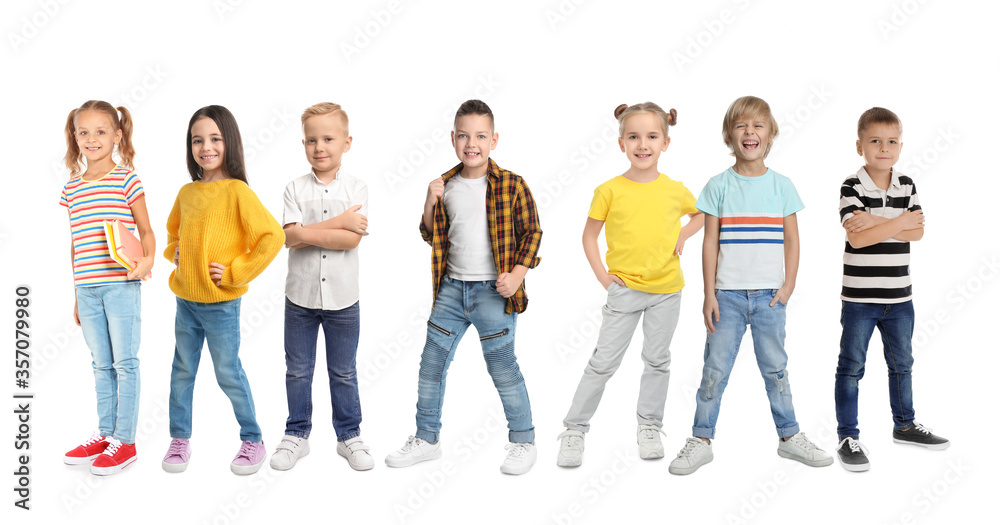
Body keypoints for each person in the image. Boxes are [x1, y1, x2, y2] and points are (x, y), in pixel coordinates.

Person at [668, 96, 832, 475]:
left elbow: (793, 240)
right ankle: (701, 439)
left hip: (770, 298)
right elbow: (710, 241)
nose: (749, 132)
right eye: (741, 125)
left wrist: (788, 286)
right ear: (730, 135)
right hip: (725, 297)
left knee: (776, 370)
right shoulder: (718, 186)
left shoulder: (782, 186)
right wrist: (708, 294)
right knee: (714, 370)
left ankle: (789, 437)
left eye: (758, 125)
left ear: (770, 134)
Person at [385, 99, 542, 475]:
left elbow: (532, 233)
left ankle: (523, 440)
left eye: (481, 136)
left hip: (494, 293)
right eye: (464, 136)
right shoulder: (445, 185)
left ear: (494, 140)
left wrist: (517, 275)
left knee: (502, 367)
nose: (472, 144)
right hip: (452, 291)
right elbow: (430, 234)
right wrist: (429, 201)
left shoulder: (512, 184)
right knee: (431, 364)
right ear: (453, 138)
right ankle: (427, 438)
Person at [557, 102, 703, 467]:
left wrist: (683, 234)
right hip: (624, 291)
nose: (643, 144)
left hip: (666, 291)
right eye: (634, 137)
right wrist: (603, 277)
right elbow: (589, 236)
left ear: (665, 143)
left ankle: (649, 426)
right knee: (603, 362)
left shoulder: (675, 190)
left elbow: (702, 214)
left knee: (657, 360)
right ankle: (574, 429)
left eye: (652, 136)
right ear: (622, 143)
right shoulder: (609, 190)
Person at [161, 105, 284, 475]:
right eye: (197, 140)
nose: (206, 147)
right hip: (186, 300)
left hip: (221, 305)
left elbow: (272, 236)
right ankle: (179, 438)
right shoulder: (187, 192)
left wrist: (236, 272)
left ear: (229, 142)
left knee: (228, 371)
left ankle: (253, 439)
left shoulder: (237, 192)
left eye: (215, 139)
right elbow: (173, 235)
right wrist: (174, 252)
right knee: (182, 370)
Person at [834, 107, 949, 472]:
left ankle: (905, 425)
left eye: (892, 142)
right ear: (860, 146)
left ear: (900, 145)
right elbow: (858, 238)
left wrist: (876, 221)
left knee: (902, 365)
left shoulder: (907, 184)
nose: (884, 148)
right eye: (875, 141)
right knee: (851, 367)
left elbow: (919, 232)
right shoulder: (851, 186)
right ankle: (847, 436)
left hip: (900, 298)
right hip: (860, 299)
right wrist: (898, 222)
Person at [270, 102, 373, 472]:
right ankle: (296, 434)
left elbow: (350, 240)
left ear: (347, 142)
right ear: (303, 144)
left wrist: (305, 233)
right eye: (311, 140)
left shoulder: (357, 187)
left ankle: (349, 435)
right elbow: (288, 239)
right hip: (300, 297)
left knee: (343, 372)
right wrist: (339, 222)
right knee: (297, 370)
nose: (319, 147)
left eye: (328, 139)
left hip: (343, 299)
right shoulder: (294, 188)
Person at [61, 100, 154, 476]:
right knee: (101, 364)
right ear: (75, 137)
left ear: (117, 136)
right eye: (83, 132)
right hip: (87, 290)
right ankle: (105, 434)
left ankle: (125, 442)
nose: (91, 139)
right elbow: (76, 242)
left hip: (120, 285)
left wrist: (148, 260)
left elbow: (146, 230)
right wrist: (76, 294)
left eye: (100, 131)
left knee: (124, 363)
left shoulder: (126, 179)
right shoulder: (71, 188)